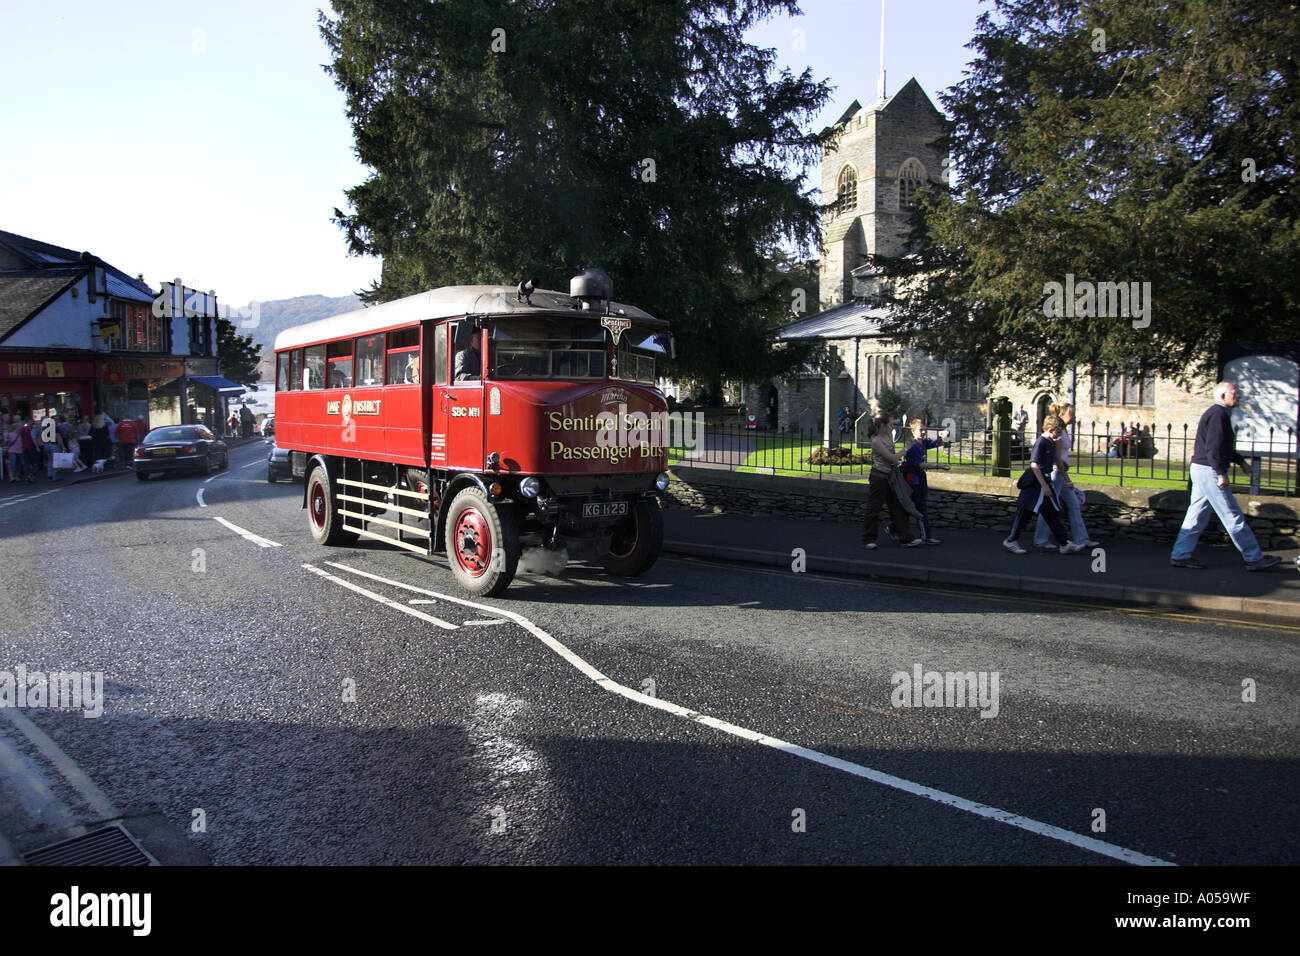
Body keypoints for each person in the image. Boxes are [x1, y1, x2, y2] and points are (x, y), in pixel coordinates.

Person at [1170, 382, 1280, 571]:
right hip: (1209, 471)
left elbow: (1223, 446)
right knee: (1232, 516)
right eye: (1235, 393)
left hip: (1202, 469)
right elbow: (1213, 448)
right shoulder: (1218, 415)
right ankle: (1254, 558)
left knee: (1196, 516)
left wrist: (1240, 461)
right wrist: (1220, 473)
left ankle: (1180, 555)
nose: (1239, 396)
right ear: (1223, 396)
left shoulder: (1219, 414)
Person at [1003, 414, 1085, 554]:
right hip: (1035, 485)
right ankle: (1011, 540)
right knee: (1024, 514)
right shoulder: (1041, 442)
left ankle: (1064, 544)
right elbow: (1034, 465)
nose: (1060, 434)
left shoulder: (1052, 442)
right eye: (1059, 431)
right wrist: (1045, 486)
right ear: (1051, 429)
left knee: (1051, 515)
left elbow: (1057, 462)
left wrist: (1067, 480)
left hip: (1045, 483)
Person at [1033, 402, 1097, 550]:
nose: (1073, 417)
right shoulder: (1057, 433)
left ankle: (1082, 539)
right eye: (1071, 414)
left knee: (1073, 505)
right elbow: (1056, 457)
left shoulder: (1063, 431)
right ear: (1061, 414)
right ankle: (1041, 540)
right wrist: (1066, 475)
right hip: (1056, 473)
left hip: (1061, 473)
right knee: (1050, 507)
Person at [861, 415, 919, 549]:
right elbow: (891, 458)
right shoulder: (876, 441)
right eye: (891, 424)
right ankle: (868, 539)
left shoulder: (889, 437)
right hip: (879, 477)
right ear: (882, 426)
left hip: (891, 476)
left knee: (898, 506)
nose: (893, 426)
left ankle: (905, 537)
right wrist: (906, 448)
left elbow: (892, 459)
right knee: (874, 508)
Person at [900, 418, 948, 544]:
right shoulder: (914, 446)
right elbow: (921, 465)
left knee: (910, 508)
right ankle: (926, 536)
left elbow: (939, 444)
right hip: (912, 480)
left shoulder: (923, 442)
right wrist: (939, 466)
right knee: (920, 508)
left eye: (924, 430)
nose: (923, 433)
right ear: (913, 431)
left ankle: (892, 528)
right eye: (920, 430)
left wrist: (941, 437)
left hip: (919, 479)